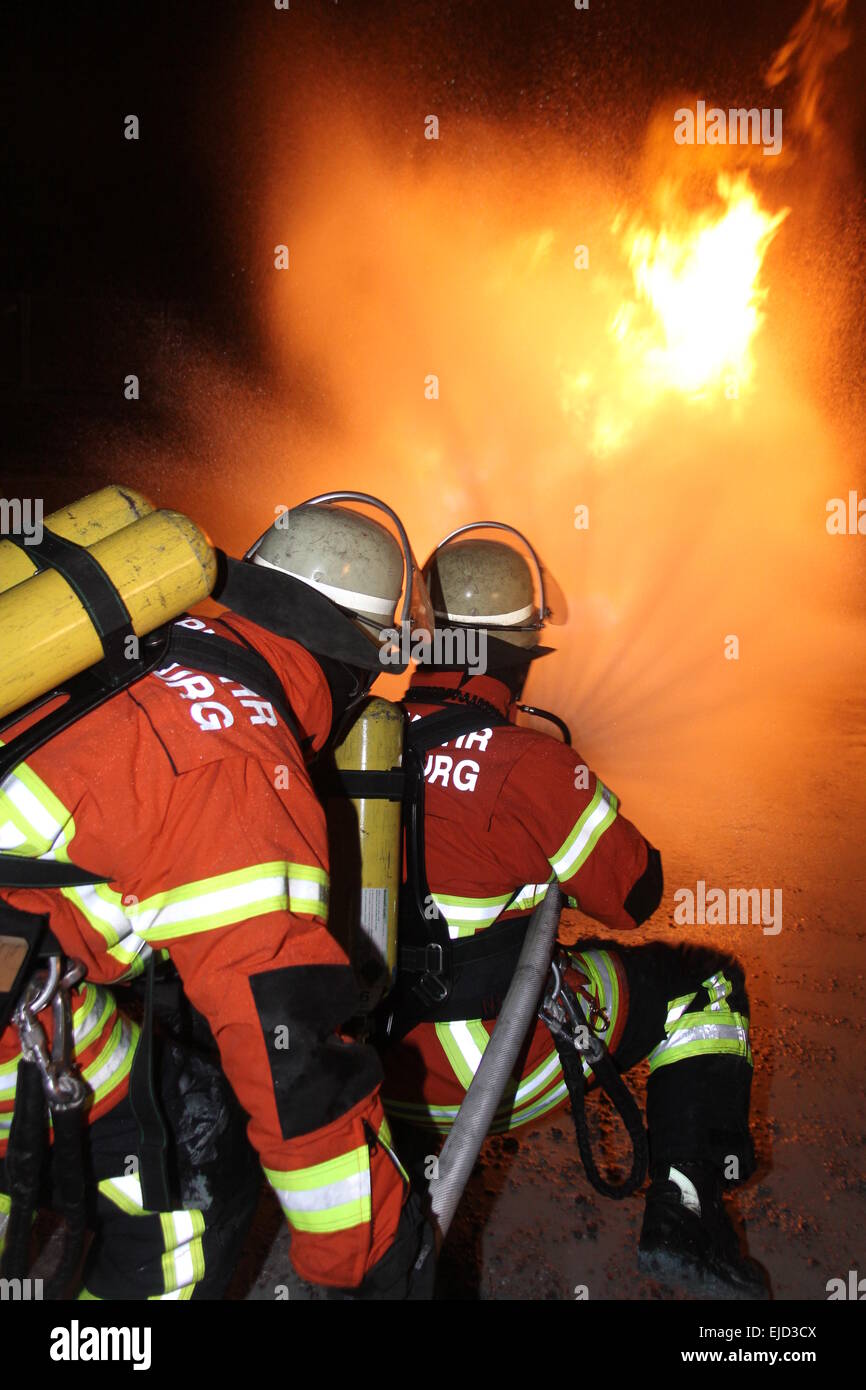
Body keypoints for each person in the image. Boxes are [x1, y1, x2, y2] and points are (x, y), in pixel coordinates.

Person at [0, 495, 434, 1300]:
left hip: (19, 960)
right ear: (353, 664)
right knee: (187, 1185)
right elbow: (287, 1049)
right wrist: (374, 1253)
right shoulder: (239, 756)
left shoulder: (142, 642)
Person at [378, 523, 766, 1299]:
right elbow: (634, 897)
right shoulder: (529, 763)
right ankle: (687, 1221)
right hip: (483, 1069)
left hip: (368, 1066)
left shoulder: (350, 739)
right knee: (706, 986)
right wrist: (577, 794)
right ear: (520, 652)